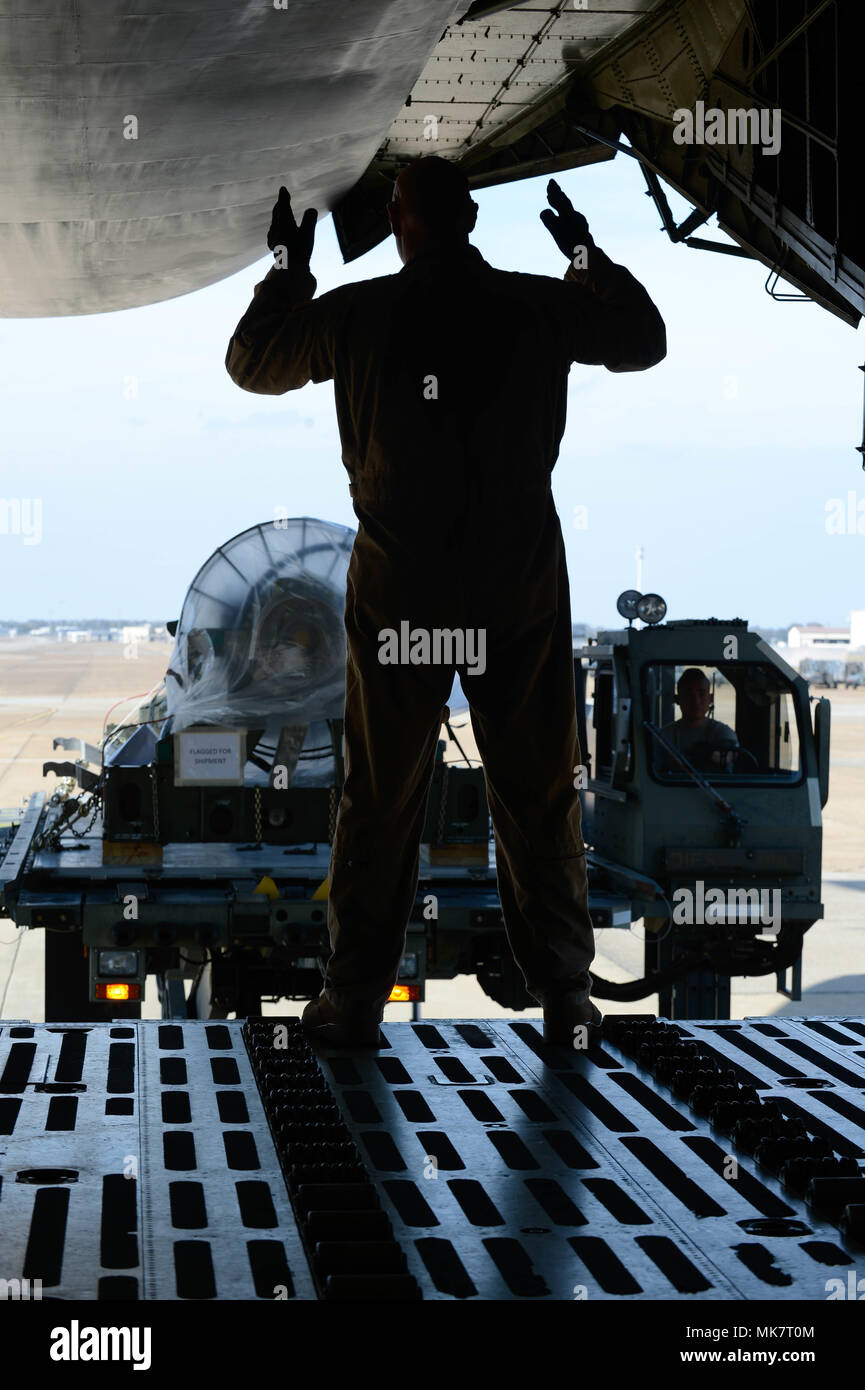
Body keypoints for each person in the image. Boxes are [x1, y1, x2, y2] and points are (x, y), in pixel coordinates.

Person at [225, 157, 666, 1046]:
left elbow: (252, 363)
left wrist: (287, 268)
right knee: (536, 791)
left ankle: (354, 1000)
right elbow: (642, 339)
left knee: (380, 798)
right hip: (515, 587)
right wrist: (584, 256)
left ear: (400, 224)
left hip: (403, 590)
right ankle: (565, 996)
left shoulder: (359, 313)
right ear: (468, 220)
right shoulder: (536, 305)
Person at [660, 667, 739, 772]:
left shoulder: (722, 733)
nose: (696, 701)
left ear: (710, 699)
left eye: (701, 694)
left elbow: (728, 756)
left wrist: (708, 754)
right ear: (677, 699)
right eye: (688, 694)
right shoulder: (663, 736)